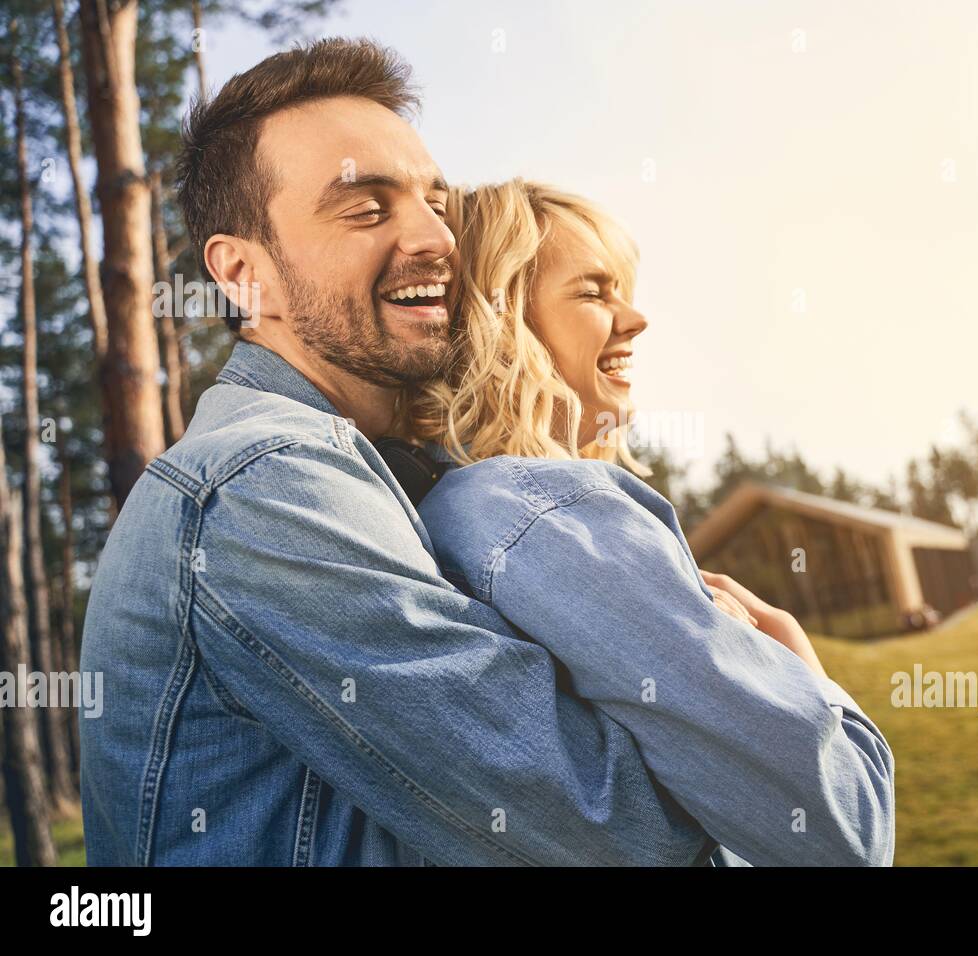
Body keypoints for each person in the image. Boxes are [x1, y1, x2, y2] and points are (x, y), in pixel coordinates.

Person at [79, 38, 712, 866]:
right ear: (242, 273)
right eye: (367, 208)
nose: (436, 239)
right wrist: (781, 696)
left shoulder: (386, 473)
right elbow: (609, 833)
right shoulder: (267, 486)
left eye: (436, 204)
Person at [406, 180, 896, 865]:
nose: (634, 320)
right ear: (505, 313)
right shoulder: (541, 513)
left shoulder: (454, 510)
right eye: (594, 292)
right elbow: (843, 831)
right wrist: (799, 667)